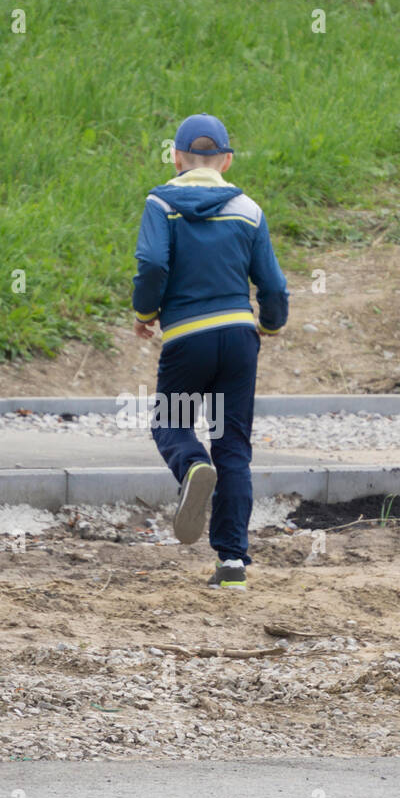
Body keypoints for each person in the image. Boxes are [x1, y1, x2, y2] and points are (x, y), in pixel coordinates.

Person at [132, 114, 288, 590]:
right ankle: (233, 563)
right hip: (240, 339)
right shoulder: (248, 209)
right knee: (234, 444)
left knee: (170, 421)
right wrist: (269, 323)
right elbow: (274, 286)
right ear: (226, 160)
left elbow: (153, 262)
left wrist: (145, 312)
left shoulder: (161, 203)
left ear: (176, 158)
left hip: (187, 338)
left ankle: (192, 464)